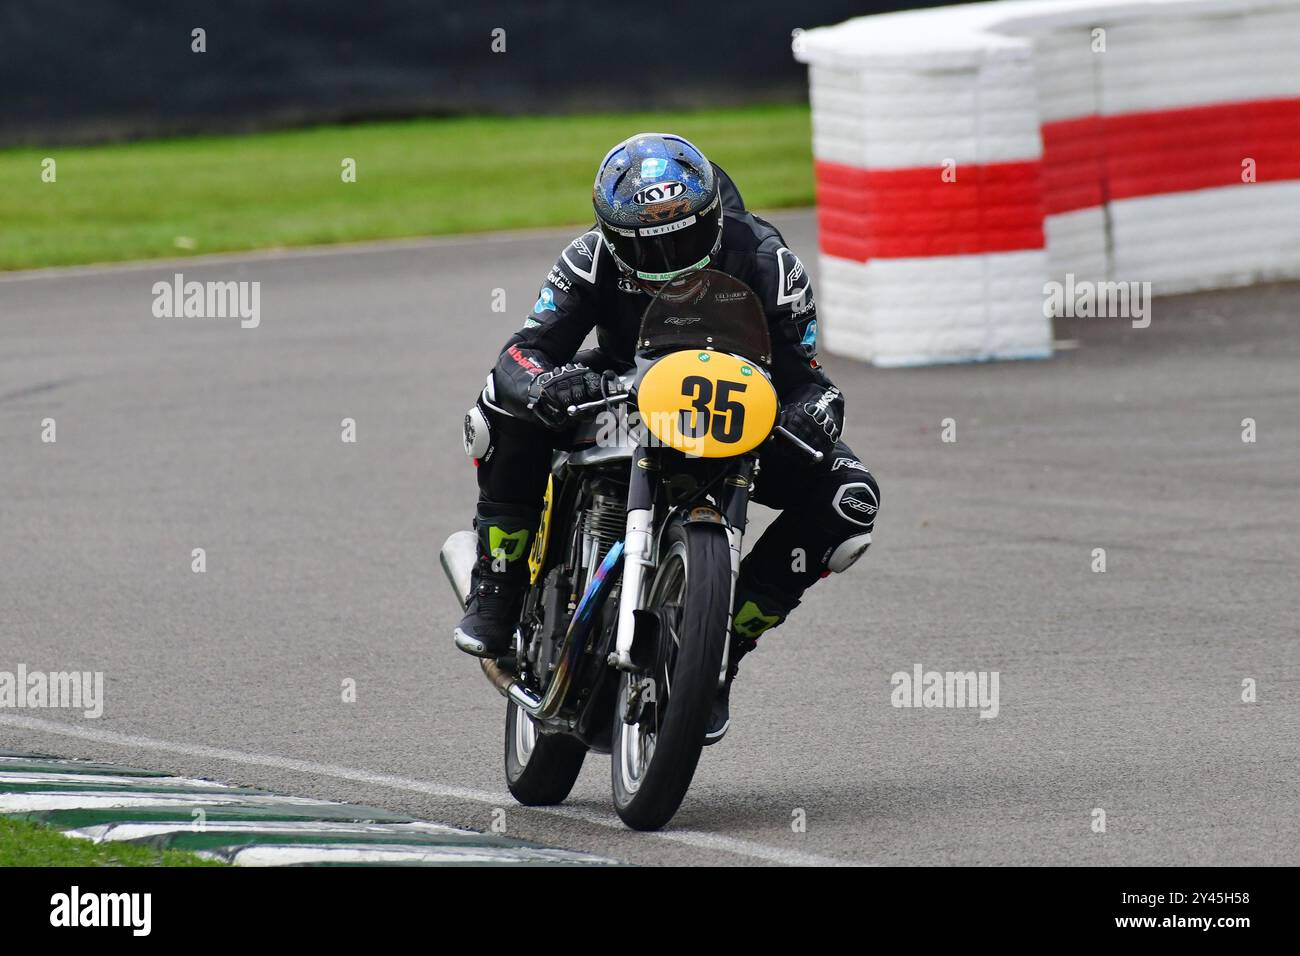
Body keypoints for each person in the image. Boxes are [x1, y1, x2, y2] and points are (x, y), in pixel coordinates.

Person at [453, 132, 880, 743]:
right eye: (646, 244)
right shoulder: (589, 257)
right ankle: (497, 585)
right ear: (613, 233)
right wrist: (549, 383)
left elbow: (810, 381)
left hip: (731, 407)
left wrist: (812, 416)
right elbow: (522, 353)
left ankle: (723, 645)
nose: (669, 255)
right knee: (500, 408)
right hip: (622, 391)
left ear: (709, 216)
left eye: (682, 236)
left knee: (850, 497)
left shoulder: (766, 259)